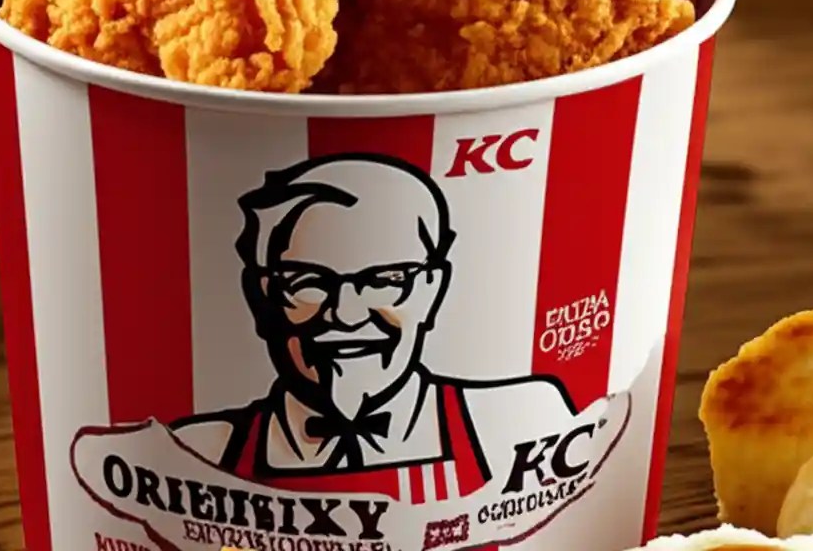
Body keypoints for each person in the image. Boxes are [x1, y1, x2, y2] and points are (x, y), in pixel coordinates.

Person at [171, 155, 577, 502]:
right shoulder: (195, 451)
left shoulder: (516, 420)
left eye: (385, 280)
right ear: (260, 298)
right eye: (307, 282)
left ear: (432, 291)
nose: (347, 315)